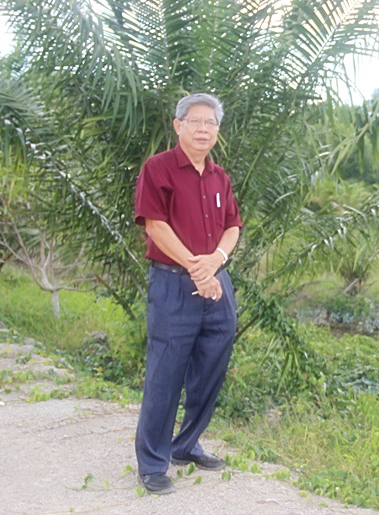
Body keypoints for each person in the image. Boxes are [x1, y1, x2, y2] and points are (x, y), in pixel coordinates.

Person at [133, 93, 242, 495]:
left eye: (210, 123)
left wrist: (215, 260)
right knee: (165, 373)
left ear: (217, 130)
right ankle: (152, 463)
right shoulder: (158, 168)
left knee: (211, 367)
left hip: (216, 284)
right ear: (178, 126)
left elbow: (233, 226)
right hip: (174, 284)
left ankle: (186, 444)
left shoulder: (219, 176)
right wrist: (197, 268)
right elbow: (154, 225)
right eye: (194, 121)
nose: (203, 129)